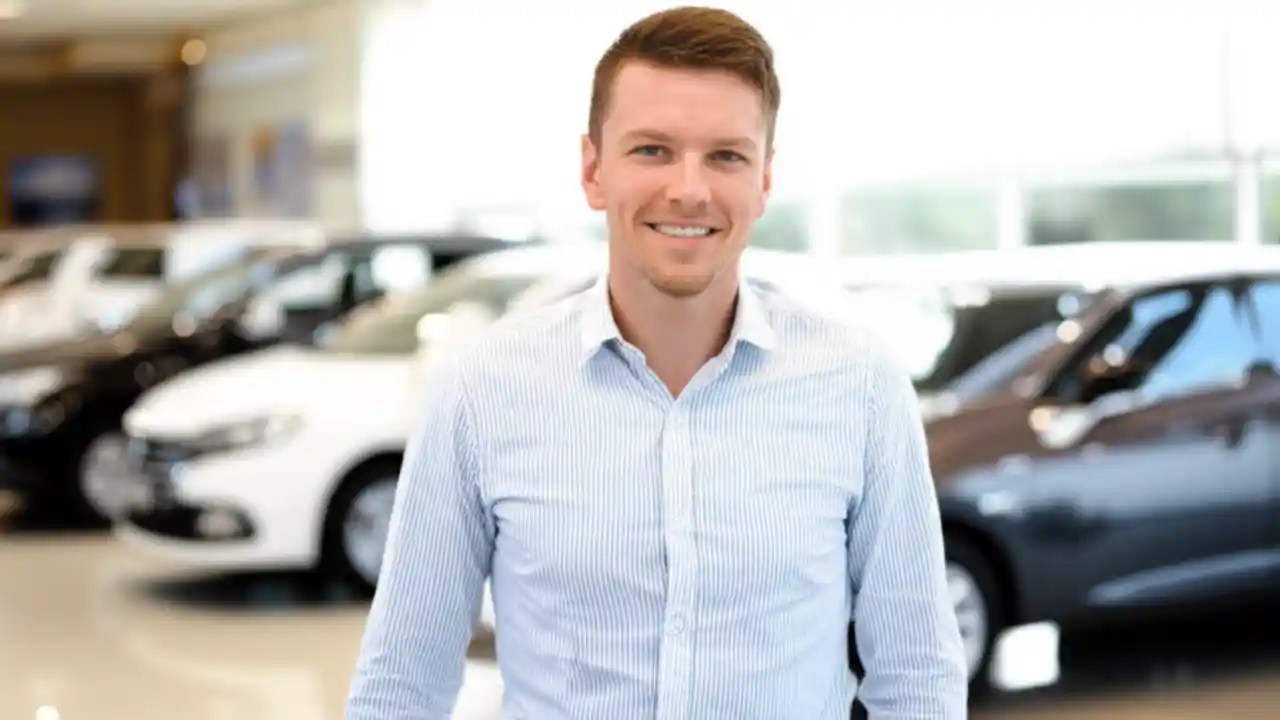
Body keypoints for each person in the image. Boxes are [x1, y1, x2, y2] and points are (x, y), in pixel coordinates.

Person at [345, 6, 967, 719]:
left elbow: (917, 678)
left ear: (764, 179)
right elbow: (402, 684)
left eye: (726, 155)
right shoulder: (483, 390)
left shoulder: (859, 384)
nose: (689, 189)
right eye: (652, 150)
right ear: (592, 169)